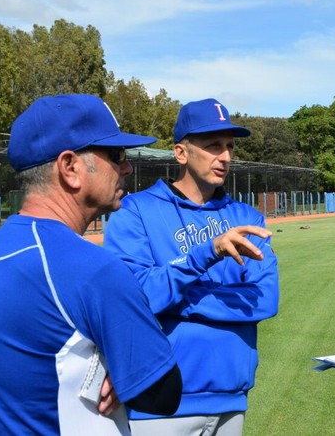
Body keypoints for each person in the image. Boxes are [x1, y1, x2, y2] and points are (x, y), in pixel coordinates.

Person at [0, 94, 183, 435]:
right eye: (115, 155)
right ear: (70, 167)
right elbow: (163, 393)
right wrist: (124, 370)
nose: (127, 167)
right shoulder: (93, 269)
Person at [103, 97, 279, 436]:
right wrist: (207, 253)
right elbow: (136, 298)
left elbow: (266, 298)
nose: (225, 157)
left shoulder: (247, 218)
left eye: (229, 147)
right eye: (213, 146)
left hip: (231, 400)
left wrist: (174, 300)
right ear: (181, 153)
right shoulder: (135, 212)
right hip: (160, 405)